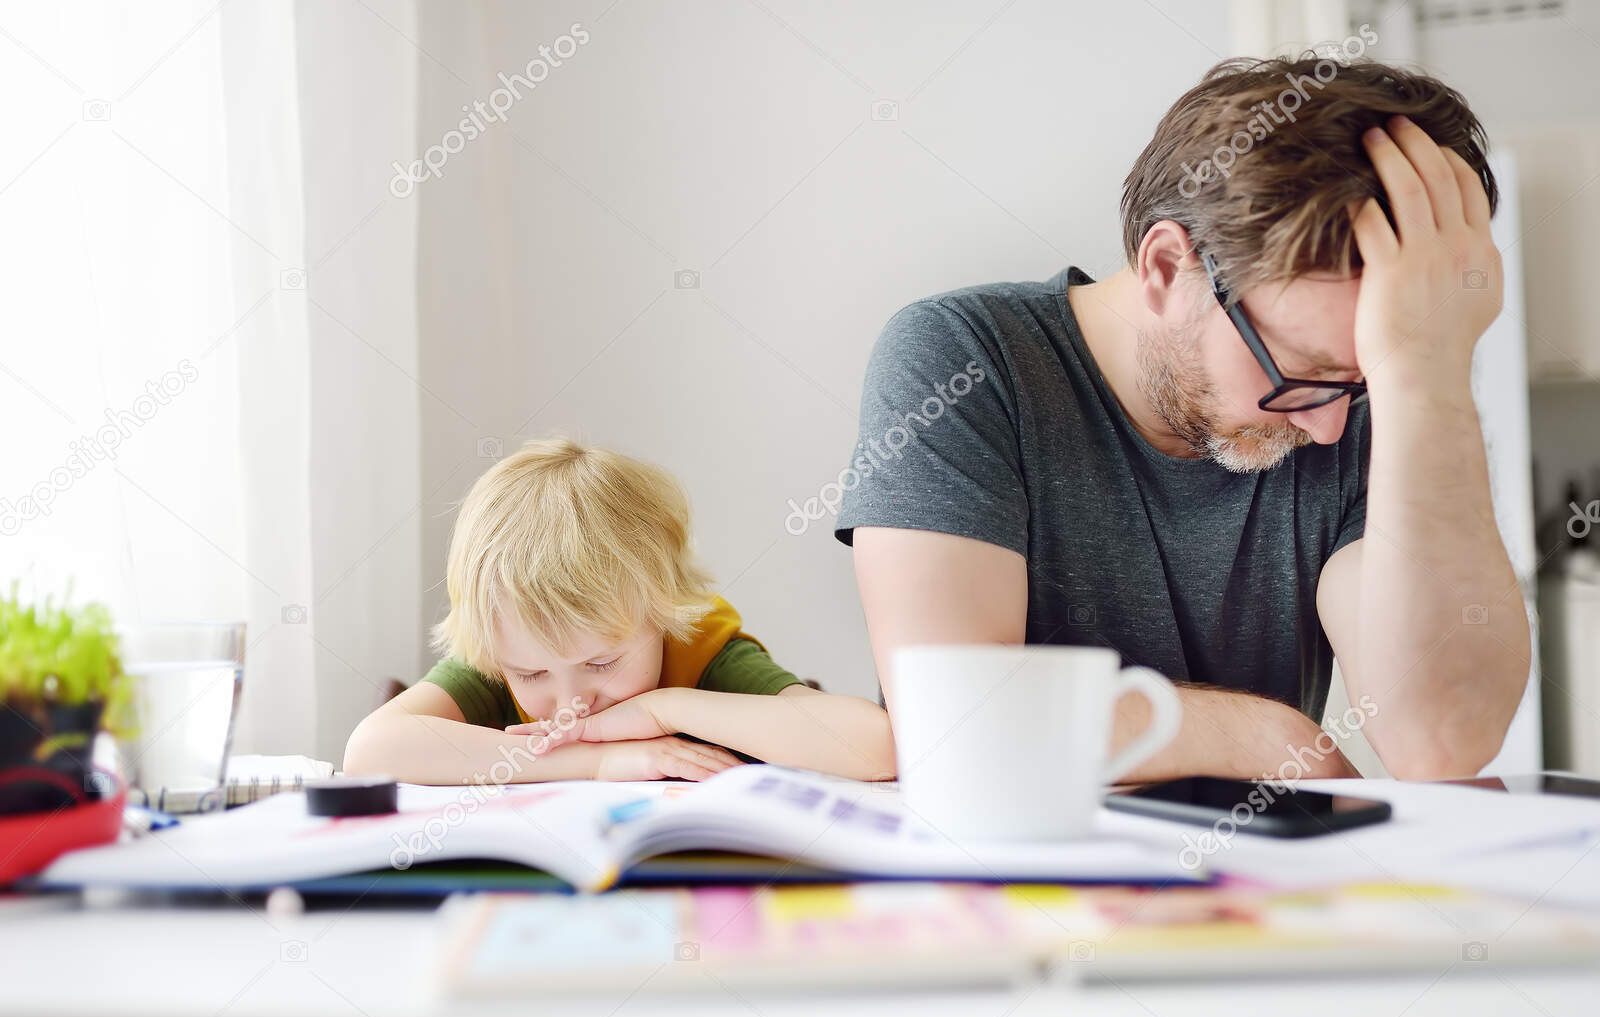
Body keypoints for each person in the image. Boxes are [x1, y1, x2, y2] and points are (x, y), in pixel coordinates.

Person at [835, 55, 1530, 783]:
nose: (1329, 429)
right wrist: (1265, 736)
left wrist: (1427, 376)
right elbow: (956, 723)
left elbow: (1440, 738)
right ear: (1168, 267)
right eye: (1302, 371)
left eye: (1359, 383)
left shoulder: (1376, 398)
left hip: (1255, 892)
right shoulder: (962, 357)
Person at [346, 438, 893, 783]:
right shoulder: (501, 653)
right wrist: (596, 762)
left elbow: (878, 747)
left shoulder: (699, 654)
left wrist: (665, 710)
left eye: (603, 663)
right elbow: (371, 750)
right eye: (533, 674)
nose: (570, 703)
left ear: (662, 617)